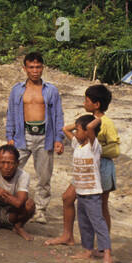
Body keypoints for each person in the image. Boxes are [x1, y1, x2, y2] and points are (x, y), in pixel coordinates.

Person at [46, 84, 118, 248]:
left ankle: (102, 245)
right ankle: (68, 235)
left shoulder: (106, 123)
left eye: (86, 100)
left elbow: (115, 149)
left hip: (101, 168)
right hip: (85, 169)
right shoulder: (88, 120)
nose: (84, 103)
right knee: (67, 197)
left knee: (101, 206)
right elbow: (74, 133)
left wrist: (94, 150)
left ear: (96, 104)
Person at [5, 52, 64, 223]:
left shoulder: (51, 90)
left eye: (38, 67)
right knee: (11, 170)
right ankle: (9, 204)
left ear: (43, 68)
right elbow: (11, 114)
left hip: (45, 136)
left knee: (44, 176)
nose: (35, 70)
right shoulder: (17, 90)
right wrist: (10, 136)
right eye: (31, 67)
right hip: (22, 136)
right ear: (25, 68)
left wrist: (59, 139)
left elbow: (58, 115)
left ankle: (40, 210)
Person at [66, 114, 111, 263]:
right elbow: (65, 129)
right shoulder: (77, 145)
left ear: (87, 132)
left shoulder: (94, 146)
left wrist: (95, 118)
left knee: (98, 223)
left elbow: (92, 127)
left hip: (93, 193)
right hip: (81, 192)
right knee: (84, 223)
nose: (76, 132)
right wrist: (78, 125)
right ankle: (88, 250)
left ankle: (107, 257)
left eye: (78, 130)